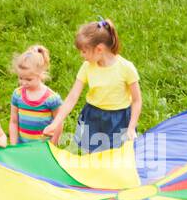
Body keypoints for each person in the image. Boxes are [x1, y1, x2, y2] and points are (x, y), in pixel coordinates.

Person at [42, 18, 142, 153]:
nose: (81, 55)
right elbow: (72, 97)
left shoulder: (126, 68)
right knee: (90, 155)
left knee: (116, 157)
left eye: (84, 51)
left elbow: (136, 101)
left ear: (99, 49)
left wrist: (131, 128)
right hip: (93, 117)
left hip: (119, 120)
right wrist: (56, 122)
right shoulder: (87, 67)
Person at [9, 45, 64, 144]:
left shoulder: (51, 99)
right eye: (21, 78)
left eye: (29, 79)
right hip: (21, 147)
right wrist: (14, 145)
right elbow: (13, 121)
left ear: (40, 74)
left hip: (42, 149)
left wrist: (52, 146)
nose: (23, 83)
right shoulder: (17, 95)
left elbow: (58, 124)